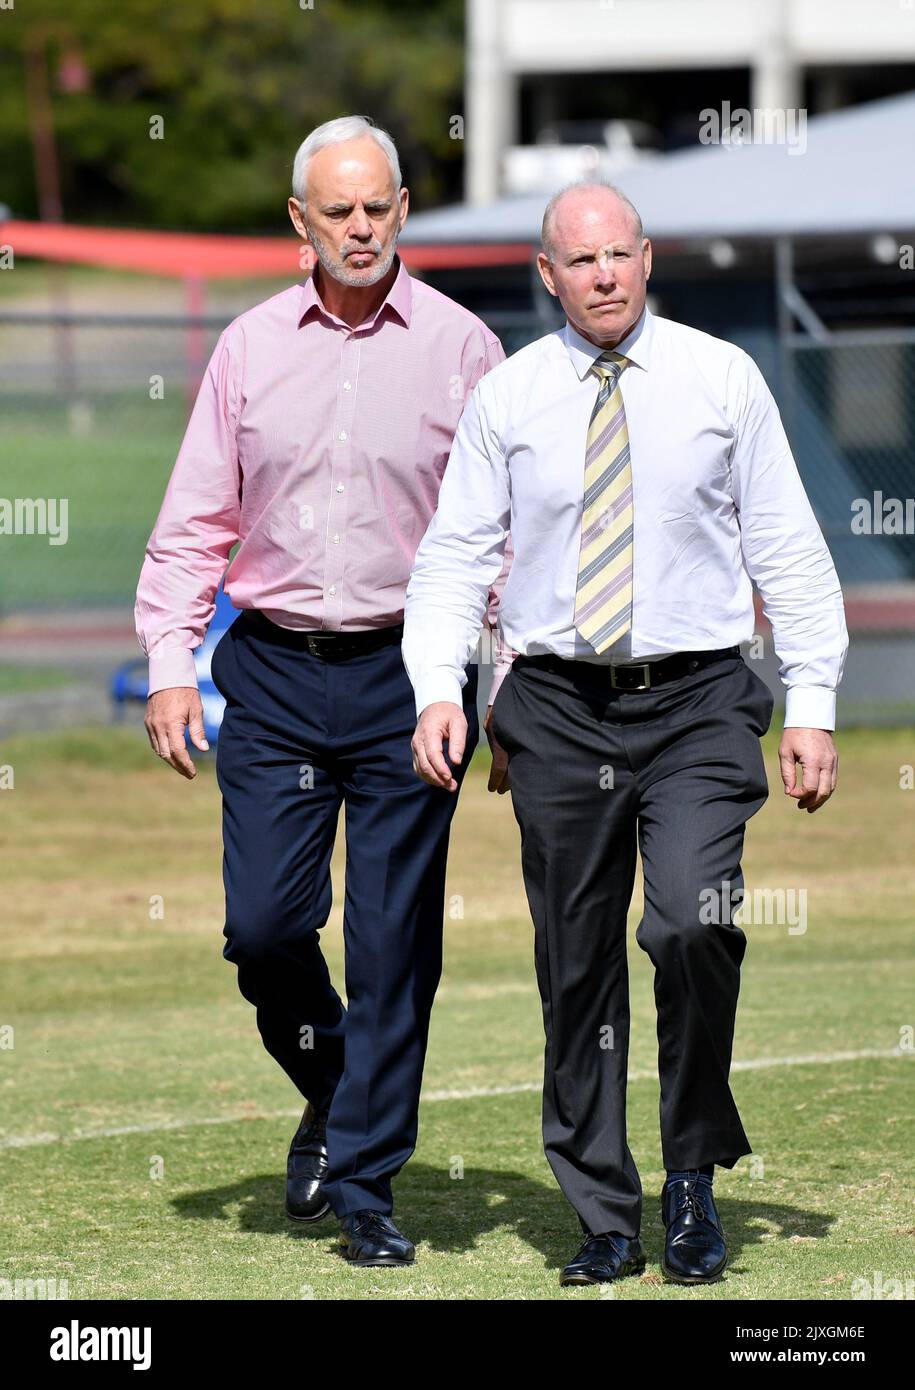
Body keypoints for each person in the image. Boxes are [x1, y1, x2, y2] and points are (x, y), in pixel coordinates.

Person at [403, 181, 848, 1288]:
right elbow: (455, 557)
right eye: (579, 260)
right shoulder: (508, 398)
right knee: (578, 965)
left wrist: (815, 701)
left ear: (647, 259)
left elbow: (788, 546)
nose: (604, 275)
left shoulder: (720, 378)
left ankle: (692, 1176)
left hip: (700, 698)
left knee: (693, 921)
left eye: (621, 254)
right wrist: (439, 689)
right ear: (546, 275)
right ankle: (603, 1207)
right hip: (554, 705)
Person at [136, 115, 509, 1269]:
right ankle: (335, 1082)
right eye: (336, 211)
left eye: (378, 207)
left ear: (403, 209)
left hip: (414, 681)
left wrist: (503, 686)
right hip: (277, 674)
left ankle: (364, 1184)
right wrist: (167, 665)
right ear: (298, 221)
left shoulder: (465, 350)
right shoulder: (248, 348)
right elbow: (195, 522)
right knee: (263, 928)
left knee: (394, 943)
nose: (359, 227)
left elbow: (503, 539)